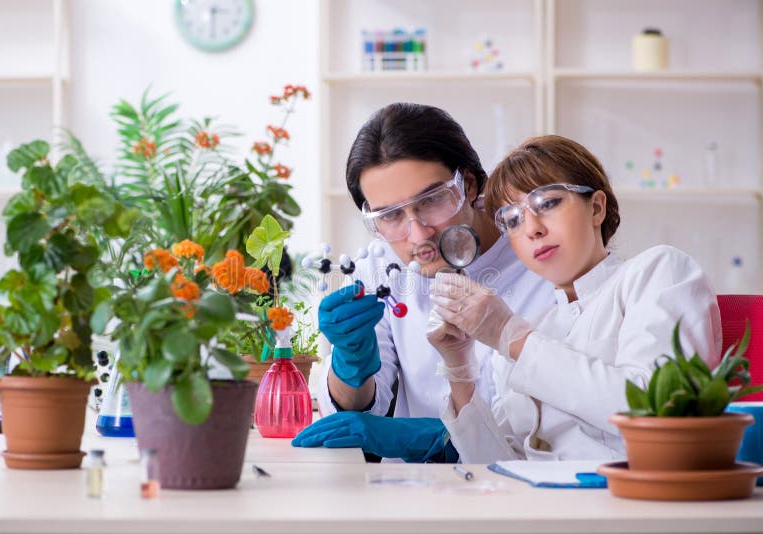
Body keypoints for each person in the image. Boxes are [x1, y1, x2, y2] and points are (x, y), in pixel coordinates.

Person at [427, 135, 722, 462]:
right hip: (538, 508)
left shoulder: (658, 272)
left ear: (596, 207)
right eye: (513, 219)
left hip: (629, 504)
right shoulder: (533, 328)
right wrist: (459, 368)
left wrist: (511, 337)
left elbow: (657, 414)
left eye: (548, 203)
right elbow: (498, 467)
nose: (532, 229)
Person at [293, 103, 554, 462]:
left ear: (470, 185)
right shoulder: (380, 270)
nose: (418, 235)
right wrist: (350, 364)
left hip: (521, 489)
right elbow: (355, 412)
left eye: (432, 200)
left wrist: (446, 439)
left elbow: (557, 425)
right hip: (412, 492)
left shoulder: (541, 259)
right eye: (391, 215)